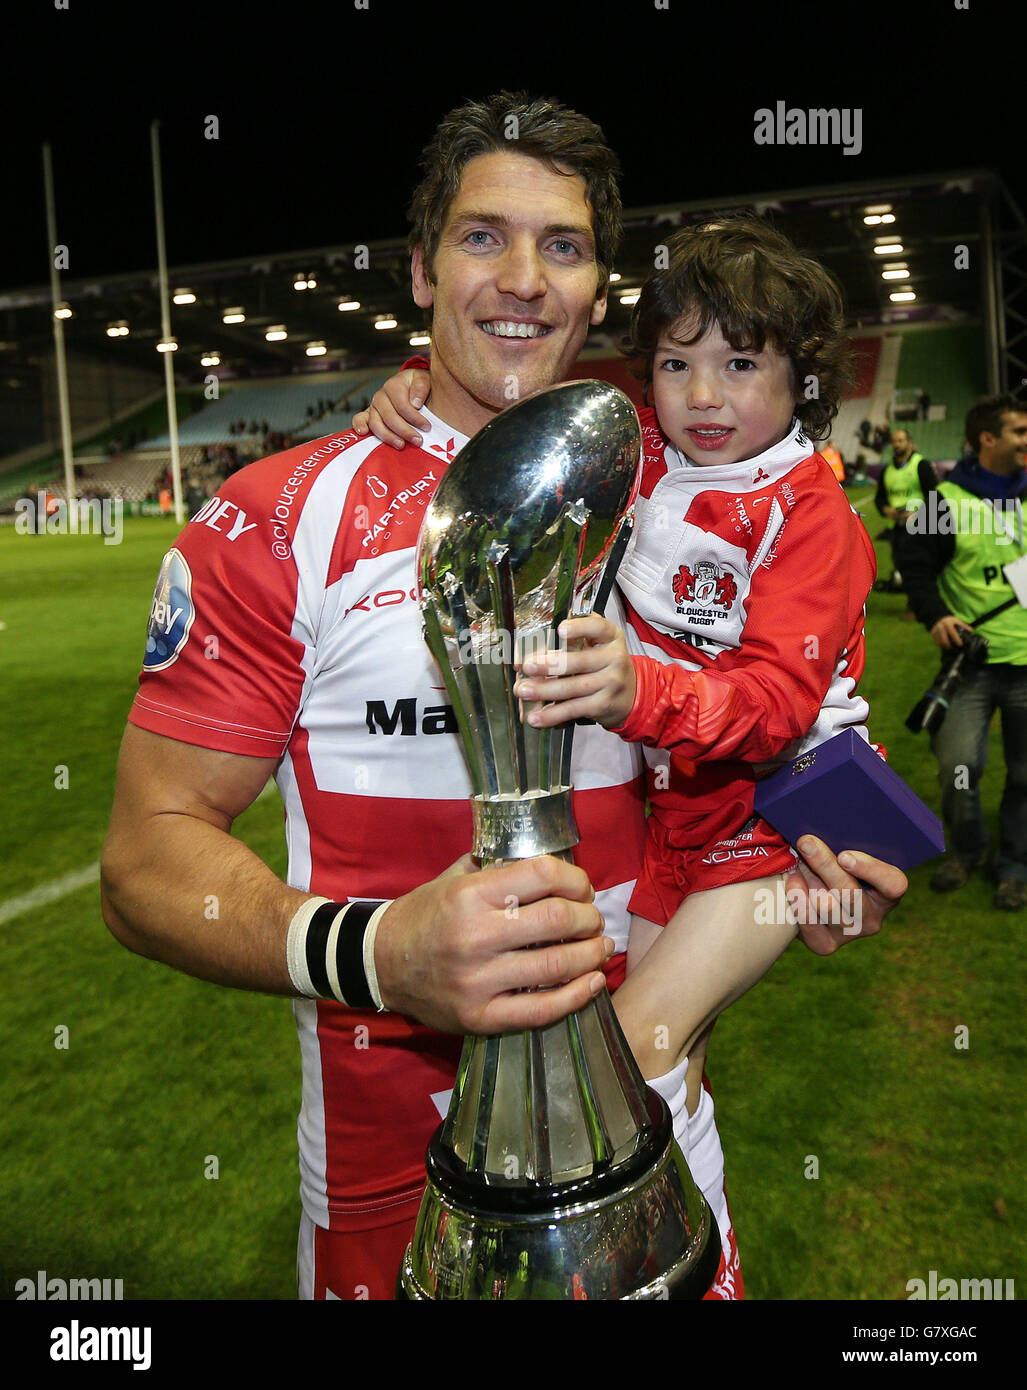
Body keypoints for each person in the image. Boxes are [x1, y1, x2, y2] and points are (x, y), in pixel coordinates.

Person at [101, 91, 906, 1303]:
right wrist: (379, 952)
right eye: (483, 237)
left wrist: (832, 842)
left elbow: (785, 683)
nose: (523, 279)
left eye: (564, 246)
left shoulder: (672, 475)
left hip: (660, 1152)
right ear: (420, 270)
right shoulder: (281, 517)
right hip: (393, 1197)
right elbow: (142, 860)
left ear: (597, 290)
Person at [360, 216, 879, 1202]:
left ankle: (681, 1265)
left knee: (636, 1050)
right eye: (677, 365)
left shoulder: (810, 512)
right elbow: (535, 421)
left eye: (739, 363)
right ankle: (681, 1254)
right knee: (646, 1056)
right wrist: (414, 382)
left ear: (805, 378)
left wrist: (640, 690)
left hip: (774, 822)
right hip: (673, 825)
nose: (704, 396)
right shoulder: (651, 452)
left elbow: (774, 706)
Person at [902, 393, 1027, 910]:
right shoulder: (946, 501)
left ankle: (1015, 865)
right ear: (987, 439)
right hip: (970, 666)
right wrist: (935, 616)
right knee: (959, 766)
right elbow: (911, 560)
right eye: (1019, 431)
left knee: (1025, 773)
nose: (1026, 441)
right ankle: (968, 850)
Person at [874, 427, 937, 592]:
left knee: (919, 564)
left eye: (901, 440)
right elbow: (879, 498)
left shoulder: (921, 465)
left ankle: (916, 605)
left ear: (910, 444)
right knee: (901, 563)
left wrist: (918, 513)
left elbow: (935, 496)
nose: (897, 444)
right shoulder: (887, 471)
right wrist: (887, 510)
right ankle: (910, 596)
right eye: (894, 441)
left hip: (919, 525)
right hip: (897, 527)